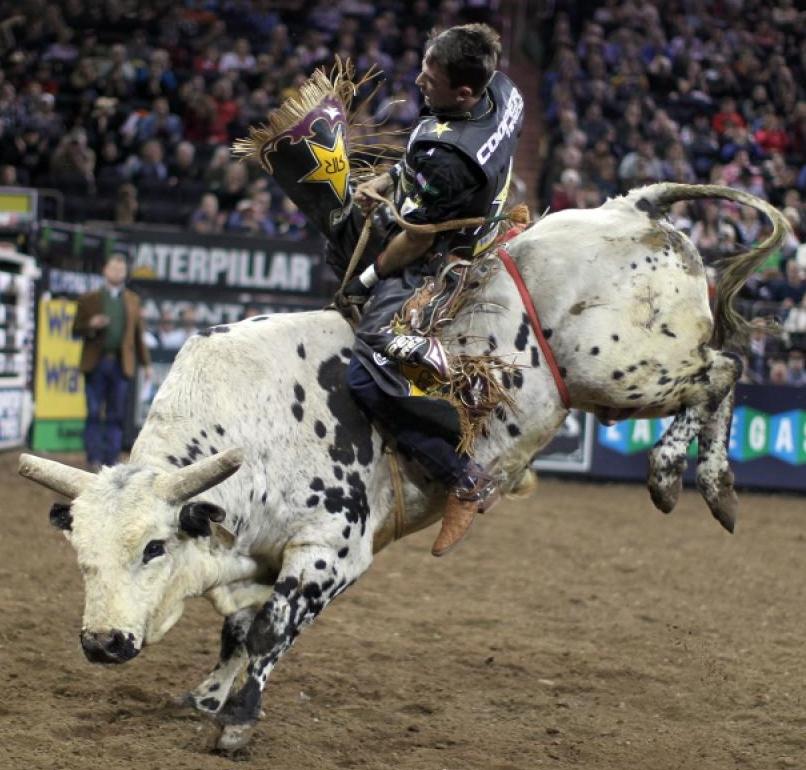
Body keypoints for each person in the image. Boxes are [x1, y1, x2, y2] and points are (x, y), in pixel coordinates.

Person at [338, 24, 524, 557]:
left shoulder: (449, 157)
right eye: (424, 66)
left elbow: (417, 237)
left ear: (464, 92)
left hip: (445, 253)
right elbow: (426, 157)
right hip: (476, 206)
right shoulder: (503, 89)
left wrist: (368, 279)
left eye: (430, 76)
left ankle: (464, 474)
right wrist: (391, 179)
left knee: (366, 374)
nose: (419, 80)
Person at [73, 254, 152, 469]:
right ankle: (93, 458)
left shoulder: (132, 300)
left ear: (125, 274)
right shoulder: (89, 299)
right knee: (93, 412)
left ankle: (111, 459)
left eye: (121, 269)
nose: (117, 272)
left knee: (116, 414)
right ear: (105, 270)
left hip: (120, 364)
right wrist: (91, 325)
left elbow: (138, 335)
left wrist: (146, 363)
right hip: (96, 363)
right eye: (113, 268)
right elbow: (76, 329)